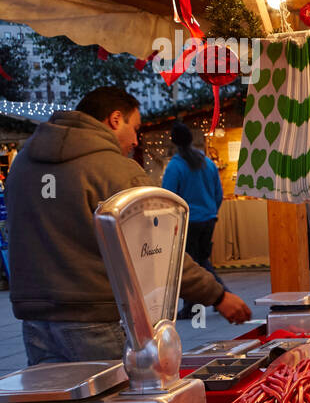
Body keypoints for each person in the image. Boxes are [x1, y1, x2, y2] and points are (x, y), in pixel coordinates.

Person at [6, 86, 251, 365]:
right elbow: (160, 255)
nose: (135, 139)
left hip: (35, 323)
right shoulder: (116, 171)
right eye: (134, 128)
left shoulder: (23, 164)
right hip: (96, 321)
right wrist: (217, 295)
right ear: (115, 119)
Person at [161, 121, 225, 285]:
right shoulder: (208, 163)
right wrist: (211, 211)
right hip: (209, 219)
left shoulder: (175, 166)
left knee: (190, 264)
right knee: (201, 261)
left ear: (173, 141)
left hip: (188, 222)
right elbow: (219, 193)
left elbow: (168, 197)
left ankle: (222, 296)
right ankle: (218, 297)